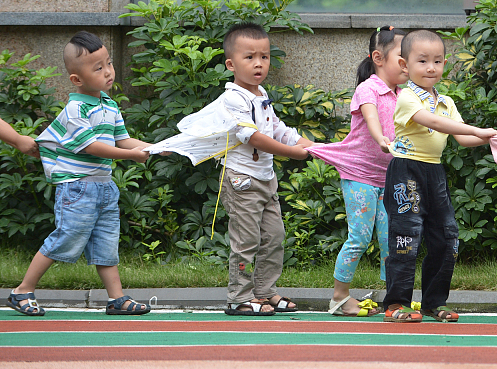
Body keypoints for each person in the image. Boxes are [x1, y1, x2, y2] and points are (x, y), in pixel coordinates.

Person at [152, 22, 313, 315]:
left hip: (266, 178)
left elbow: (276, 128)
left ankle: (265, 292)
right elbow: (251, 136)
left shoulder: (261, 94)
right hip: (242, 180)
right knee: (246, 240)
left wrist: (311, 145)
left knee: (274, 237)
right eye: (249, 57)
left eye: (264, 57)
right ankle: (239, 297)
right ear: (230, 64)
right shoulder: (233, 99)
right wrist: (292, 152)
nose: (258, 64)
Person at [7, 32, 153, 317]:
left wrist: (158, 147)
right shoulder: (75, 109)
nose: (108, 71)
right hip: (77, 189)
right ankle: (22, 290)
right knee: (64, 237)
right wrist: (134, 156)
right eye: (98, 68)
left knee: (107, 243)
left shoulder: (109, 104)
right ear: (77, 80)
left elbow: (123, 139)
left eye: (108, 63)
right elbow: (94, 147)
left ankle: (117, 298)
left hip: (104, 187)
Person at [381, 30, 497, 324]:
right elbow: (432, 122)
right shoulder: (407, 97)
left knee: (447, 238)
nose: (431, 68)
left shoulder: (446, 101)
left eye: (437, 61)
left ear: (445, 63)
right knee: (406, 235)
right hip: (406, 171)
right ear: (404, 65)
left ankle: (434, 302)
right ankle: (397, 303)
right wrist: (475, 129)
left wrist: (493, 139)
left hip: (434, 173)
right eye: (422, 61)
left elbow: (463, 139)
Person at [306, 26, 406, 317]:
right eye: (403, 56)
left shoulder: (405, 94)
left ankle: (394, 298)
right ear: (378, 57)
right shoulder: (368, 89)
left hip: (391, 180)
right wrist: (380, 139)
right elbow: (372, 117)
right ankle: (339, 297)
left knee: (392, 240)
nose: (408, 63)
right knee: (359, 238)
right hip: (360, 176)